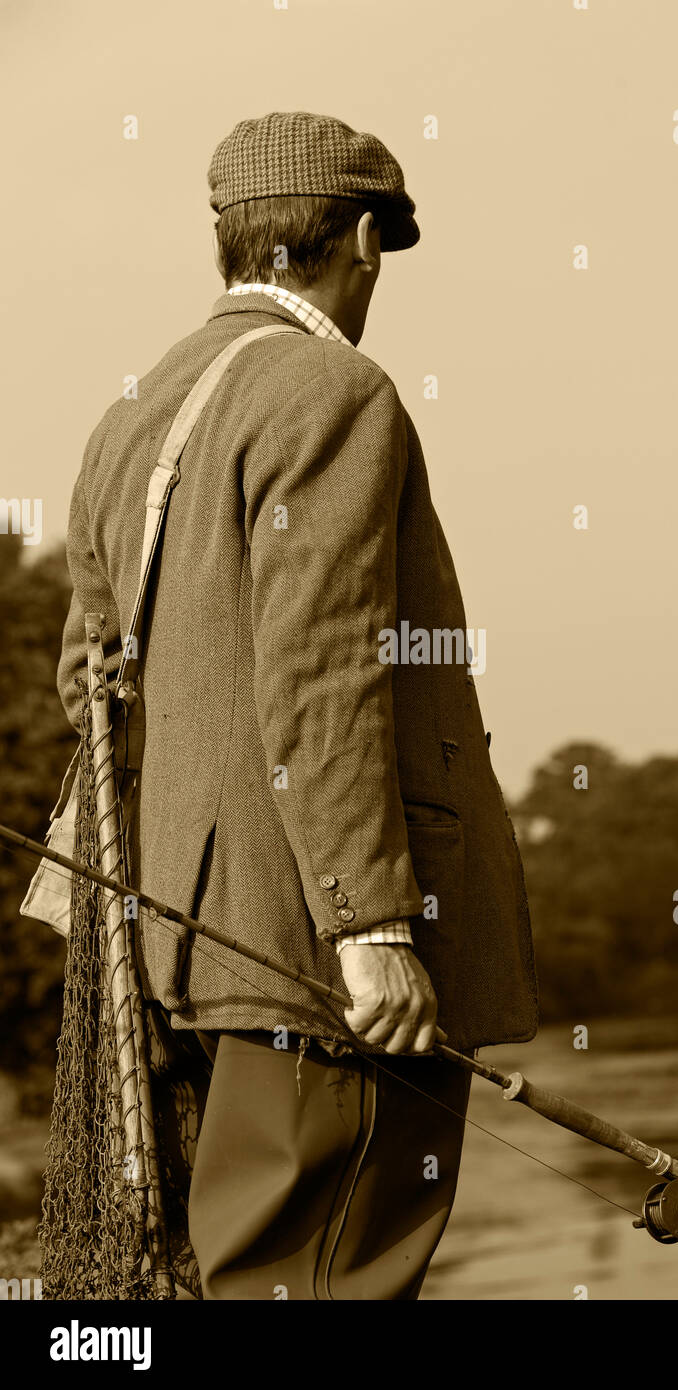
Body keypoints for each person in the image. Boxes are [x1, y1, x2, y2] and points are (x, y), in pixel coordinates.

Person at [57, 110, 537, 1299]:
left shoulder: (125, 418)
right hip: (322, 956)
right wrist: (368, 925)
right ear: (363, 238)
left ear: (228, 241)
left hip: (183, 933)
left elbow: (88, 685)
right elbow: (321, 674)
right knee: (327, 1281)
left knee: (259, 1275)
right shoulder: (334, 389)